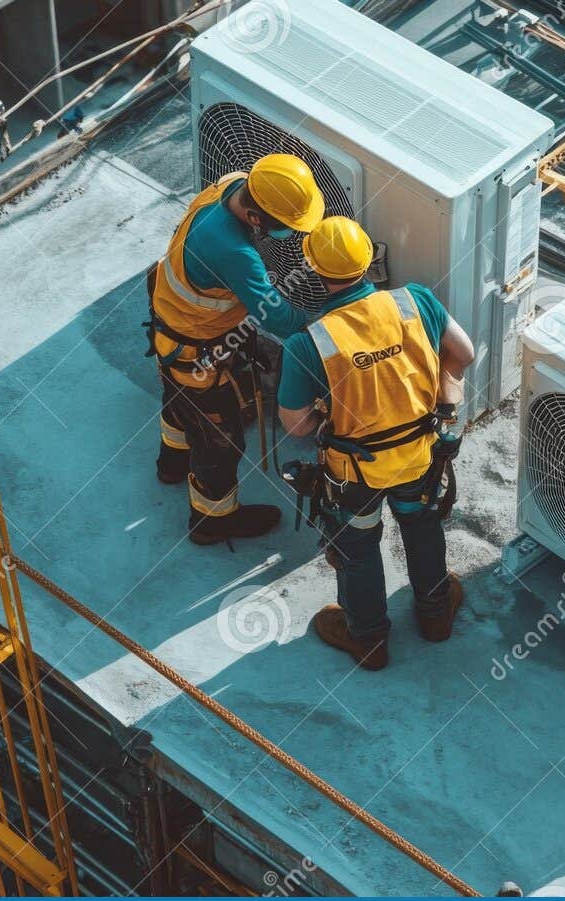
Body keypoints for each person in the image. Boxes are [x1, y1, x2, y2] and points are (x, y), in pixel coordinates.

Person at [278, 217, 476, 670]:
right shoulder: (415, 301)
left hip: (356, 476)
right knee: (421, 524)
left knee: (359, 547)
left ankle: (367, 639)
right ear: (370, 258)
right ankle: (435, 614)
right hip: (420, 455)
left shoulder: (309, 343)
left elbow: (299, 427)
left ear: (314, 271)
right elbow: (461, 354)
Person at [148, 153, 324, 545]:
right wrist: (331, 322)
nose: (291, 235)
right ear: (257, 218)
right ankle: (212, 521)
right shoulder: (234, 252)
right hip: (198, 356)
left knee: (179, 402)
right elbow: (277, 318)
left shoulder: (232, 181)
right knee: (220, 442)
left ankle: (171, 463)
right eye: (286, 227)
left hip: (170, 333)